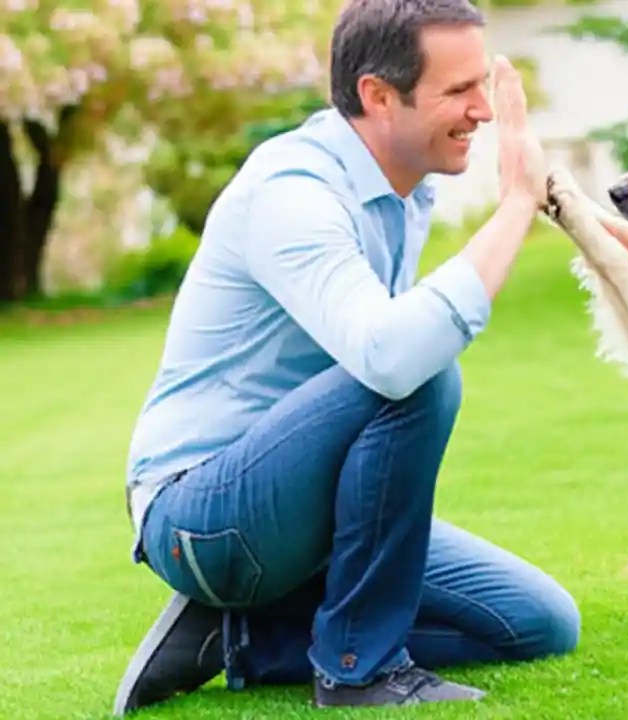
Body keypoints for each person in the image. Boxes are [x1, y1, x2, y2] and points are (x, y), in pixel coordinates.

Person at [112, 0, 580, 714]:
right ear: (378, 96)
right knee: (417, 374)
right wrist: (515, 206)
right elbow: (390, 359)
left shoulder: (403, 191)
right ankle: (358, 670)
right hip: (202, 515)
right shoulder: (292, 194)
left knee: (539, 622)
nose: (482, 111)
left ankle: (248, 640)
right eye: (459, 90)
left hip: (305, 510)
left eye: (483, 85)